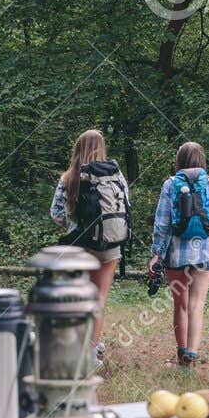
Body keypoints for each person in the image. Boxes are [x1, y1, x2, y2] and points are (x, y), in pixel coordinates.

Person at [50, 129, 131, 362]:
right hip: (110, 245)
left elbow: (56, 213)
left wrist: (73, 224)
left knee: (77, 297)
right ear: (101, 147)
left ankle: (75, 347)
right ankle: (92, 350)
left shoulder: (69, 177)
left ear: (78, 148)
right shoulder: (115, 174)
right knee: (99, 298)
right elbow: (125, 205)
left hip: (79, 246)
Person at [148, 141, 209, 370]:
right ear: (202, 160)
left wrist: (156, 254)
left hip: (175, 253)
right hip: (205, 253)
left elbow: (162, 222)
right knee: (197, 305)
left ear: (179, 161)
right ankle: (192, 356)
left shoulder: (170, 184)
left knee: (180, 304)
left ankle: (181, 355)